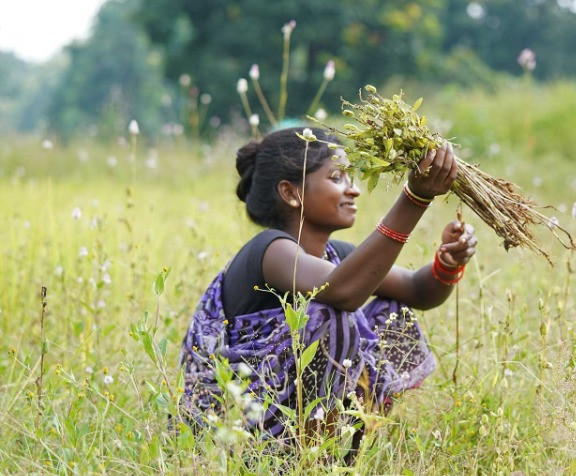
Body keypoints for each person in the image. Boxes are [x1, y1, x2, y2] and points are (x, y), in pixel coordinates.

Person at [179, 127, 476, 450]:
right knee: (331, 318)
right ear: (291, 193)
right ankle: (311, 462)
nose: (354, 190)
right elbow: (343, 294)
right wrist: (414, 199)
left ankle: (342, 455)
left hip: (289, 423)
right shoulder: (270, 250)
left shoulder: (337, 257)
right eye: (337, 178)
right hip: (234, 431)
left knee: (392, 312)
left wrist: (448, 263)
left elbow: (419, 291)